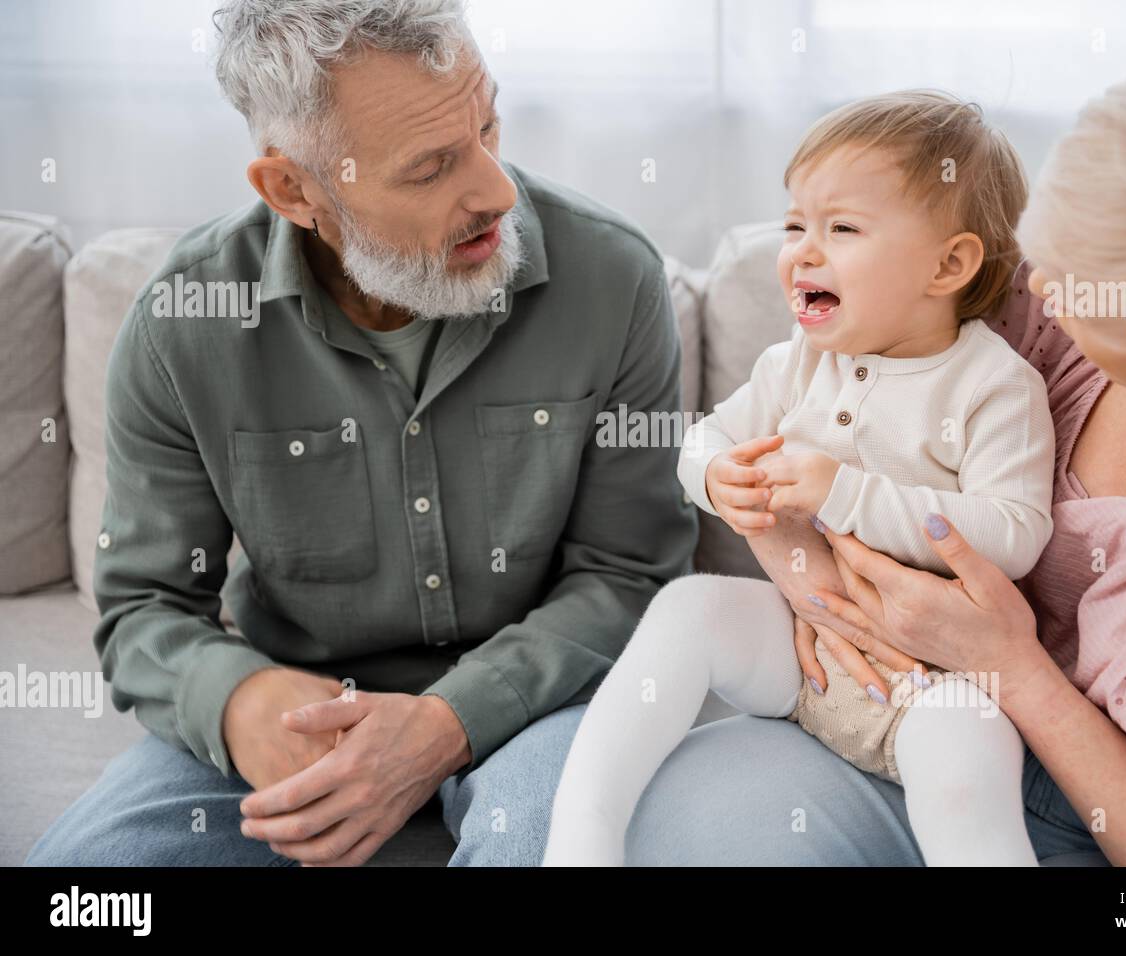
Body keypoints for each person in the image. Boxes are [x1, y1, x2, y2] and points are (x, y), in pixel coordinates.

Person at [447, 33, 1126, 867]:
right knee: (588, 735)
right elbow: (730, 429)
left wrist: (1001, 656)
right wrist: (753, 511)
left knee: (952, 776)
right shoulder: (842, 348)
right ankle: (580, 838)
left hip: (970, 723)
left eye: (1086, 287)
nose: (1038, 285)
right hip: (820, 666)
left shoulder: (1002, 384)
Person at [25, 0, 695, 867]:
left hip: (542, 708)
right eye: (430, 168)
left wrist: (449, 723)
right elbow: (145, 607)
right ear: (294, 191)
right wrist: (242, 703)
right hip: (307, 715)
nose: (498, 190)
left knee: (549, 843)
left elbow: (631, 572)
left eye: (488, 125)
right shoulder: (182, 325)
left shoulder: (614, 279)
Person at [544, 91, 1055, 866]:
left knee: (969, 759)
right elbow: (706, 437)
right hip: (801, 652)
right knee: (690, 608)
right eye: (795, 226)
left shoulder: (993, 384)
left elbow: (1013, 535)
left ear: (949, 264)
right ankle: (582, 840)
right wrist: (716, 476)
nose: (802, 253)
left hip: (933, 680)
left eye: (841, 229)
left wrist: (844, 493)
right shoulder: (797, 362)